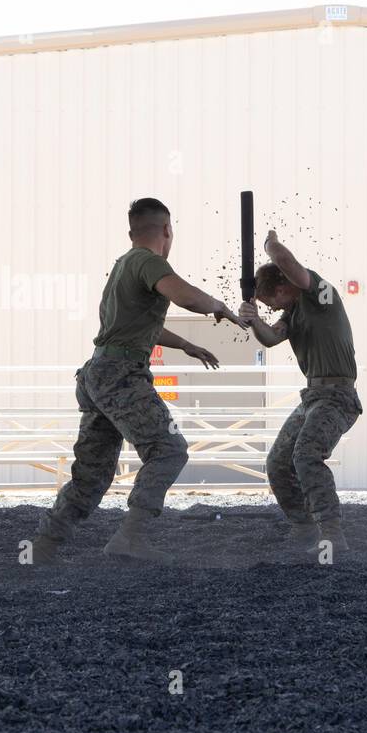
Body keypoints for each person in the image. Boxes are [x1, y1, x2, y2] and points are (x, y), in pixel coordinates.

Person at [28, 198, 244, 564]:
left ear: (132, 232)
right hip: (121, 376)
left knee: (92, 475)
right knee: (169, 449)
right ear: (167, 230)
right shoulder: (149, 261)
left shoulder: (122, 267)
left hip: (98, 373)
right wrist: (219, 306)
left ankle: (41, 547)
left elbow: (142, 325)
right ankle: (131, 538)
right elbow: (182, 295)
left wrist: (187, 344)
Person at [237, 230, 361, 557]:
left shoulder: (318, 293)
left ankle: (332, 536)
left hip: (338, 397)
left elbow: (284, 260)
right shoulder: (292, 313)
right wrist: (253, 321)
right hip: (313, 399)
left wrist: (268, 243)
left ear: (282, 288)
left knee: (306, 456)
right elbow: (270, 338)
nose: (272, 308)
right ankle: (304, 530)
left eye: (270, 302)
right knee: (277, 463)